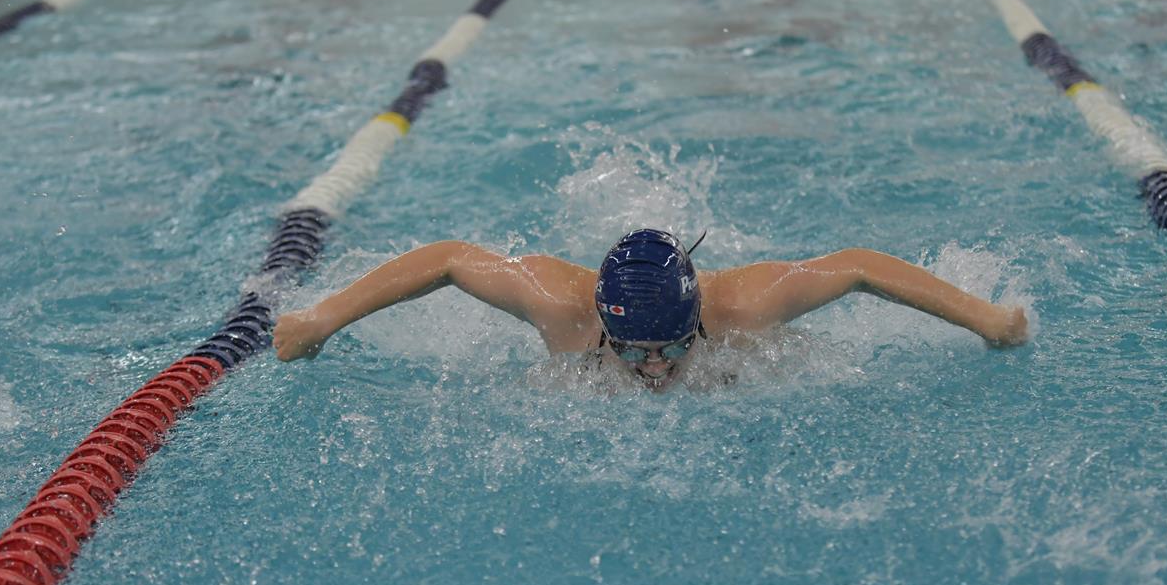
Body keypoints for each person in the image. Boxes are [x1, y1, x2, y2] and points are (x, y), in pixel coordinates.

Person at [272, 228, 1029, 390]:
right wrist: (317, 321)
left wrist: (985, 318)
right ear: (602, 326)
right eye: (634, 353)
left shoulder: (742, 307)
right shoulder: (557, 306)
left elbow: (862, 265)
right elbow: (444, 259)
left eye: (672, 347)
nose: (657, 367)